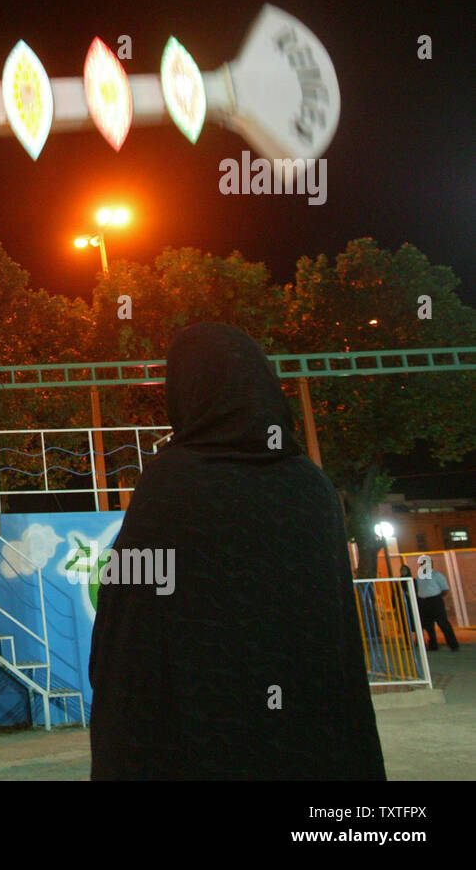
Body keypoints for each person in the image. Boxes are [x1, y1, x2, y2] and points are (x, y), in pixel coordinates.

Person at [89, 322, 385, 780]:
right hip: (308, 744)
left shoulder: (171, 484)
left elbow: (123, 622)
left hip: (199, 740)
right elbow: (334, 632)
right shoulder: (313, 488)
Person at [414, 554, 460, 652]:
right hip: (423, 602)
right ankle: (433, 644)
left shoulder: (437, 575)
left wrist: (437, 597)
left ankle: (453, 644)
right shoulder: (419, 576)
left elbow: (445, 589)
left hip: (435, 601)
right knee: (428, 625)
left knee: (443, 623)